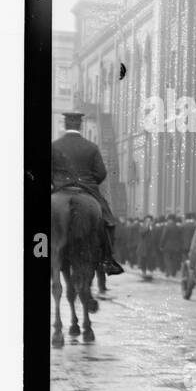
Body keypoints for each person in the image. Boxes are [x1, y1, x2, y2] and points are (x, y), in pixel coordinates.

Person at [50, 111, 124, 276]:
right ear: (80, 126)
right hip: (87, 189)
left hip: (59, 188)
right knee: (108, 220)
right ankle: (108, 260)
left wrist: (57, 183)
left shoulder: (54, 146)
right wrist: (88, 184)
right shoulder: (91, 147)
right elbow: (101, 173)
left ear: (65, 125)